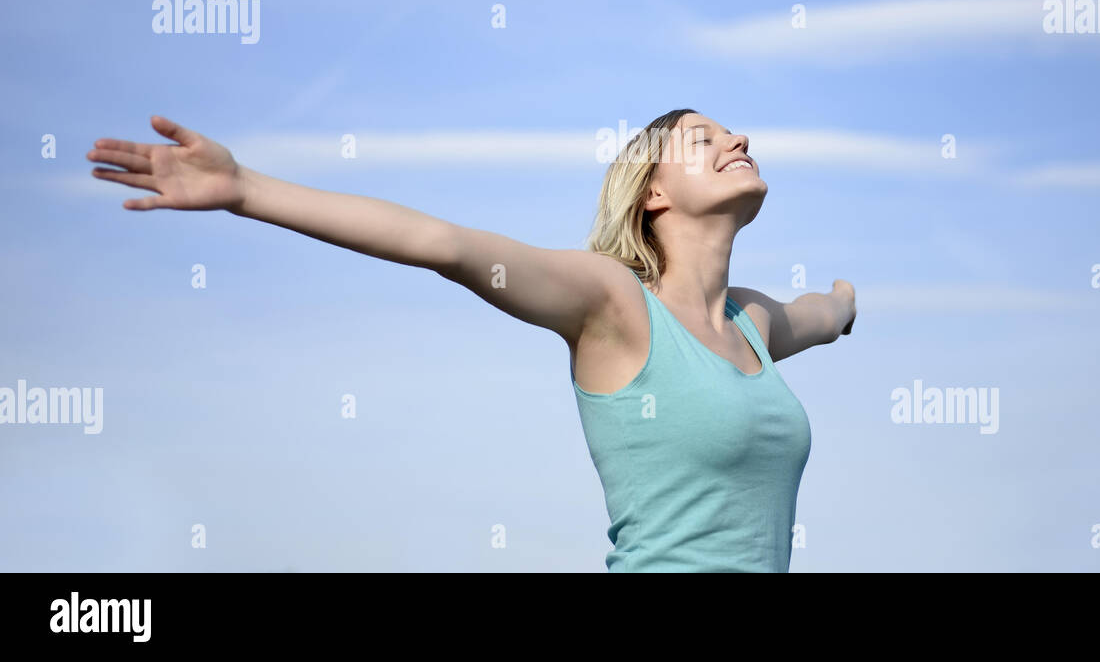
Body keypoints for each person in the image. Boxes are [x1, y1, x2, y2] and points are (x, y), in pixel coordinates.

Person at [88, 108, 856, 571]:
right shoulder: (614, 304)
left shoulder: (755, 327)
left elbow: (824, 312)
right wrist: (248, 189)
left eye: (734, 131)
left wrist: (846, 302)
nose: (737, 137)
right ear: (652, 191)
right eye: (703, 137)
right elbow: (444, 243)